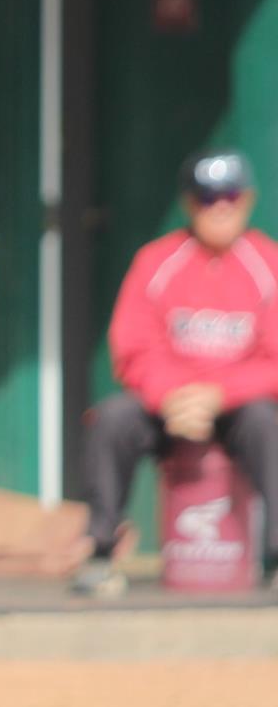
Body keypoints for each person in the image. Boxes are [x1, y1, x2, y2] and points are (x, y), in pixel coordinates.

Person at [72, 150, 278, 597]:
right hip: (169, 406)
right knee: (111, 420)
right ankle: (100, 552)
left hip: (238, 408)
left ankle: (276, 558)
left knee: (268, 423)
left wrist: (218, 394)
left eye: (230, 195)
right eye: (208, 198)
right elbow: (132, 347)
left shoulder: (268, 263)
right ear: (190, 203)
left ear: (248, 200)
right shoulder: (157, 261)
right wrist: (172, 396)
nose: (220, 207)